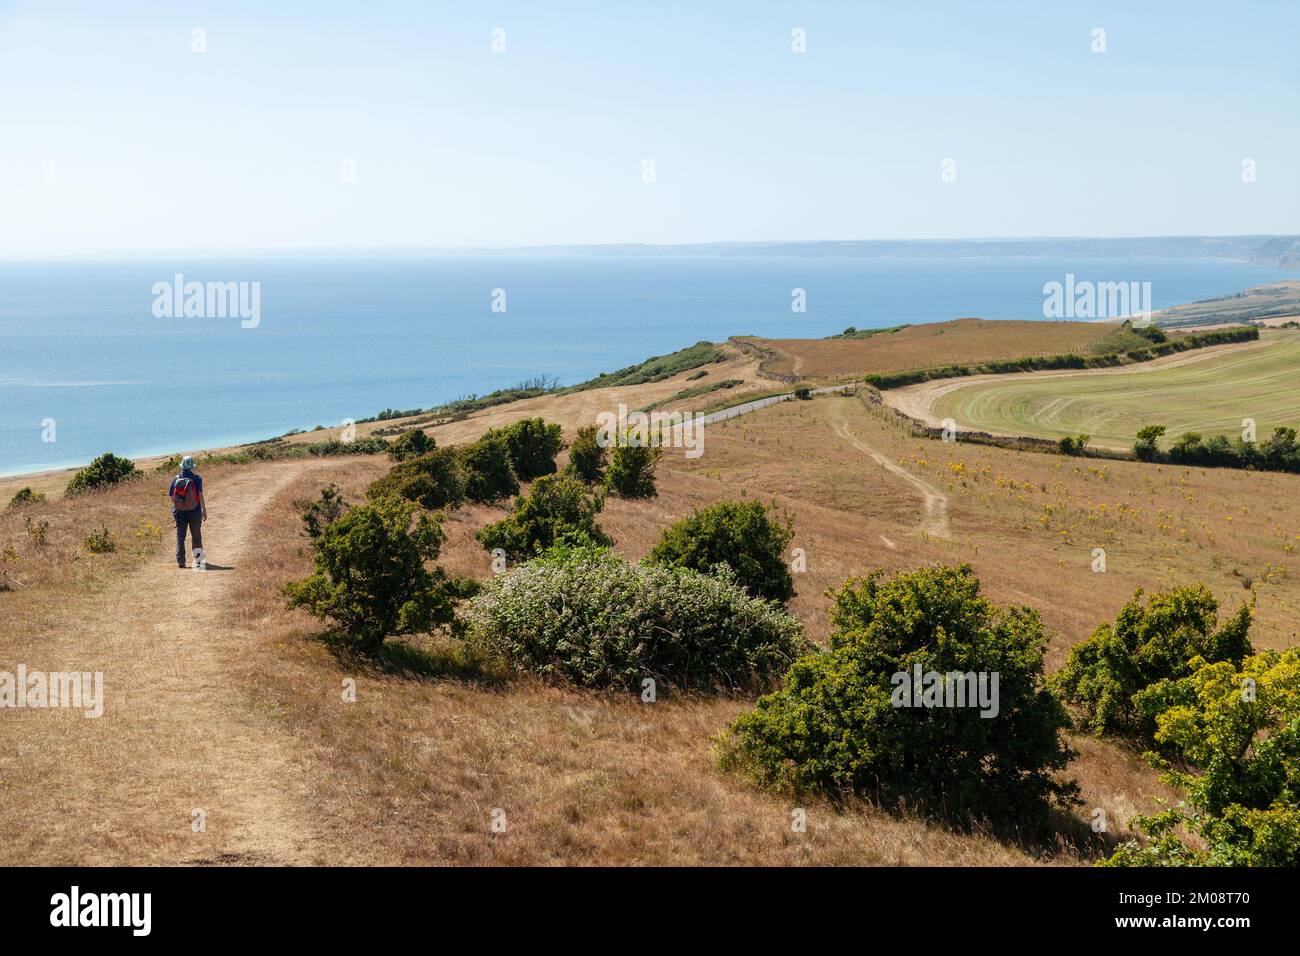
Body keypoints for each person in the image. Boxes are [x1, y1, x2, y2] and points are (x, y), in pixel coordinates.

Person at [168, 455, 207, 568]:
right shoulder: (197, 478)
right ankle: (199, 560)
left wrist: (179, 506)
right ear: (191, 467)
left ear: (182, 466)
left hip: (180, 512)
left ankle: (181, 561)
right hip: (194, 512)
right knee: (196, 536)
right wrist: (204, 510)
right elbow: (200, 495)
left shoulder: (176, 479)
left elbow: (172, 496)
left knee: (180, 537)